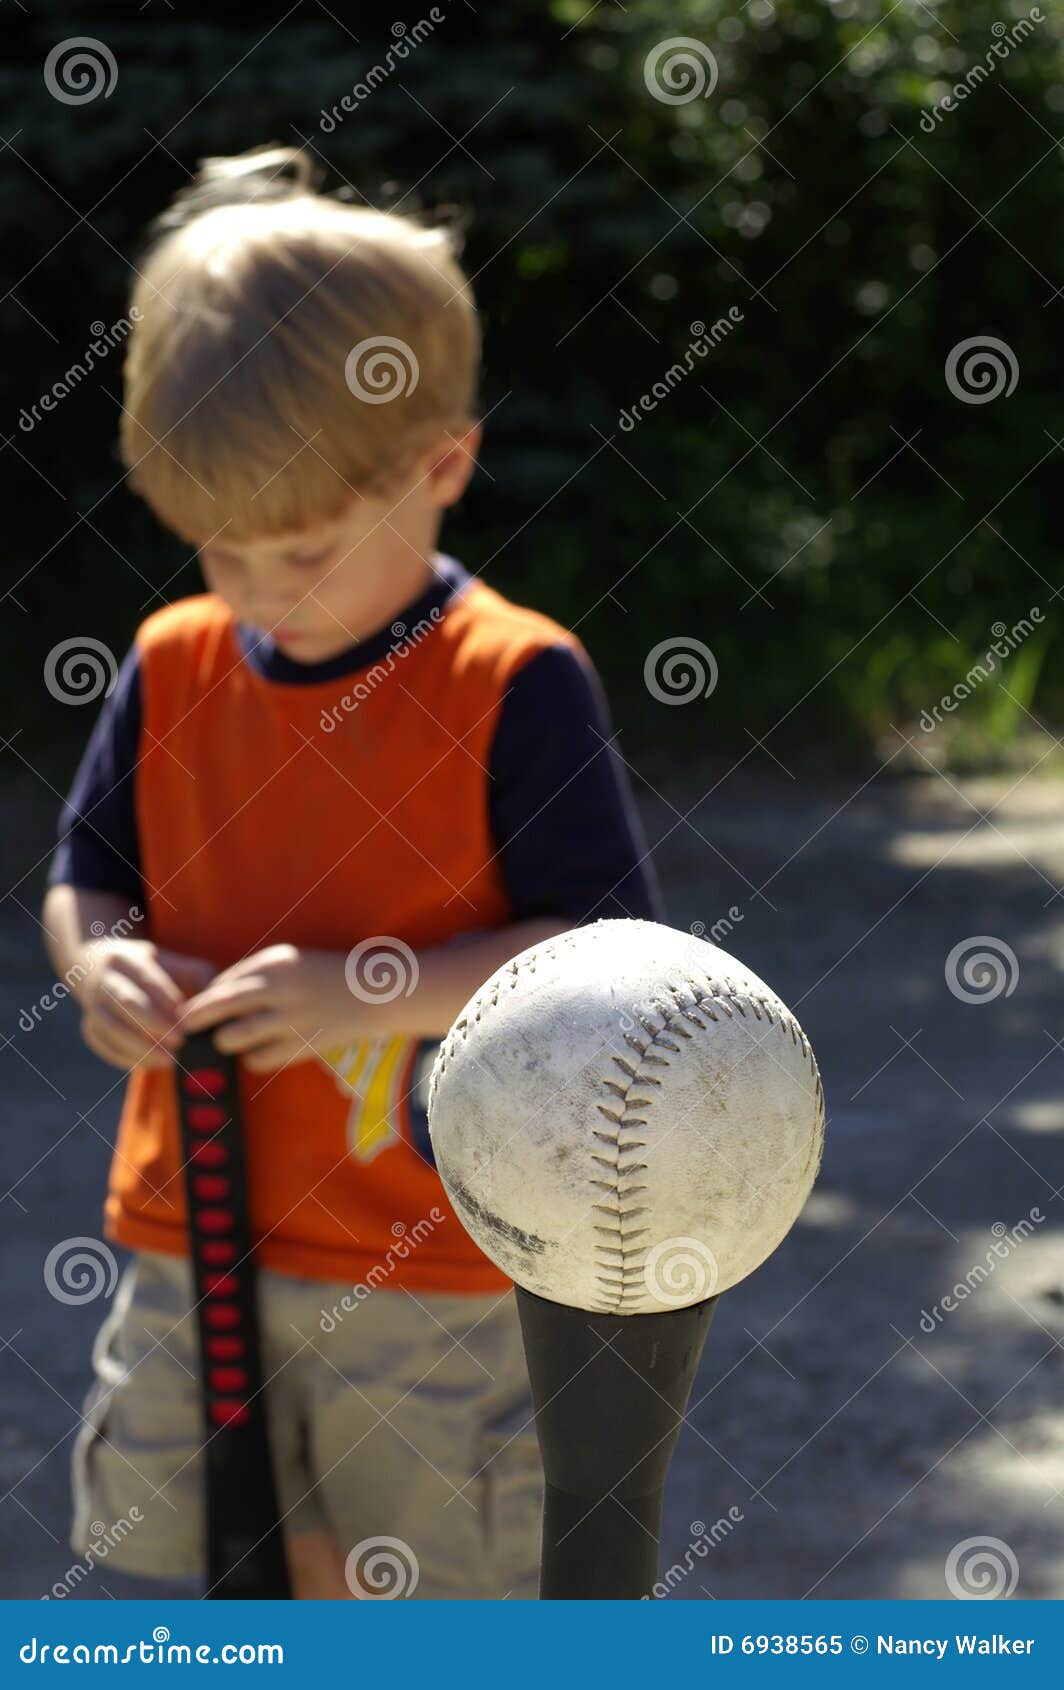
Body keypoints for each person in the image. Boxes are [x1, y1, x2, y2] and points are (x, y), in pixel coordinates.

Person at [43, 144, 662, 1600]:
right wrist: (97, 961)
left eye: (304, 549)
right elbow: (87, 869)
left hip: (432, 1270)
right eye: (215, 548)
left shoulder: (514, 677)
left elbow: (609, 952)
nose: (256, 591)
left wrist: (371, 993)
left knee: (420, 1599)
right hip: (188, 1233)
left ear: (441, 463)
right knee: (231, 1576)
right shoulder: (170, 661)